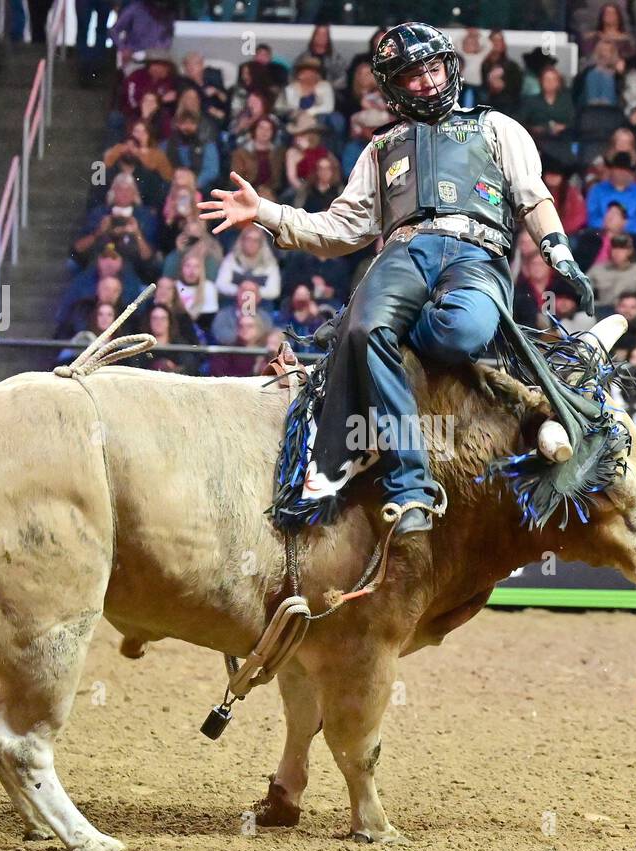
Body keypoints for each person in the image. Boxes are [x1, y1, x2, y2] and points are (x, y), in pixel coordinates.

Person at [200, 22, 595, 536]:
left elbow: (533, 195)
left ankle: (400, 352)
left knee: (461, 331)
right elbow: (341, 230)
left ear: (449, 67)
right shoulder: (380, 148)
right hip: (404, 252)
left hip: (477, 255)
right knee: (364, 329)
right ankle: (410, 487)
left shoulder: (497, 127)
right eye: (413, 75)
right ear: (392, 87)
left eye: (434, 67)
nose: (429, 82)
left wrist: (557, 249)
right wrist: (267, 212)